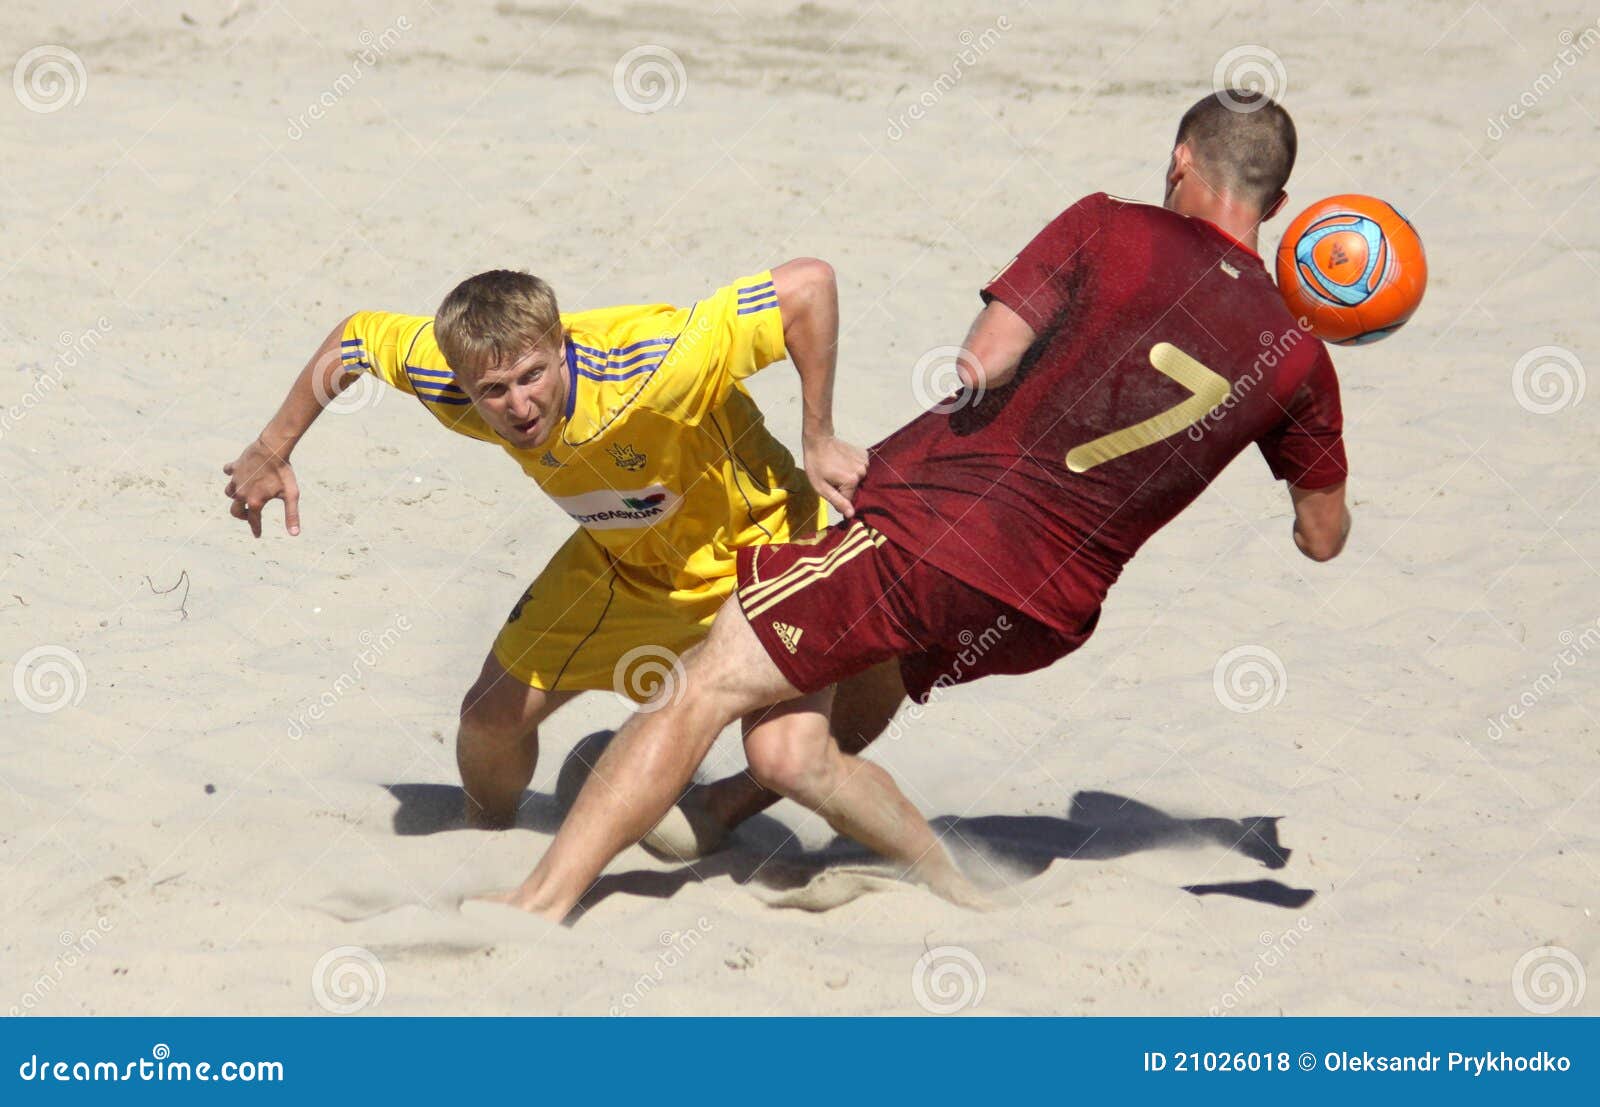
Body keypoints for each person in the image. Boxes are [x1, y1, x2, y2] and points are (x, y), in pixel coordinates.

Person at [478, 89, 1354, 922]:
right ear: (1275, 207)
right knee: (790, 742)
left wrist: (986, 368)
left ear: (1180, 158)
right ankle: (944, 879)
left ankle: (540, 902)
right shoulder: (1302, 362)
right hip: (1045, 605)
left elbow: (989, 356)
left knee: (705, 684)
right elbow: (1322, 537)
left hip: (936, 527)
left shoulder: (1111, 224)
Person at [221, 259, 878, 830]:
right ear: (462, 380)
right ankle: (489, 837)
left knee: (783, 753)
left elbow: (808, 286)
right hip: (625, 561)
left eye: (533, 375)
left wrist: (818, 435)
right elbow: (357, 336)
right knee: (487, 721)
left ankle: (726, 811)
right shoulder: (447, 376)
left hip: (761, 555)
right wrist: (271, 447)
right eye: (494, 391)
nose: (518, 406)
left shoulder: (651, 362)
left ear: (560, 342)